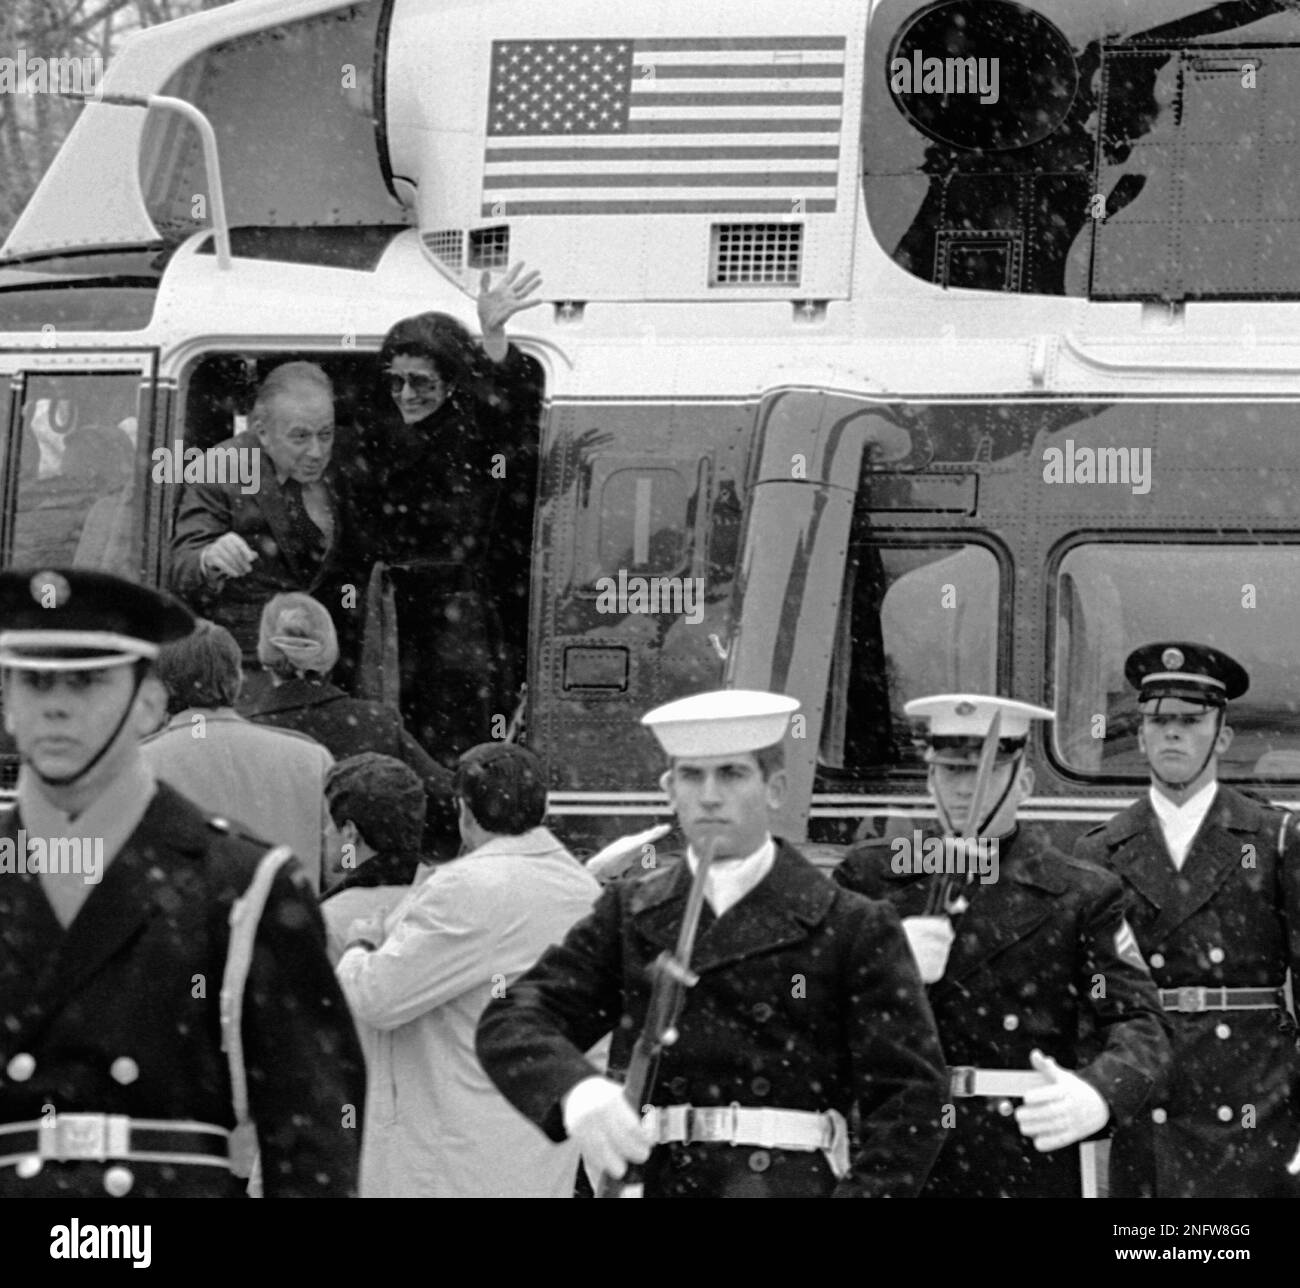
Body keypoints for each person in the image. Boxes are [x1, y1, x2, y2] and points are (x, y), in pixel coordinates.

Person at [475, 689, 950, 1198]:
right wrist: (577, 1091)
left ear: (775, 788)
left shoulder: (850, 925)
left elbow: (912, 1099)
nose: (709, 795)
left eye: (732, 774)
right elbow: (513, 1017)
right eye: (691, 775)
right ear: (669, 789)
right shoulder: (630, 916)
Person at [0, 568, 364, 1197]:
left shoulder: (247, 887)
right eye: (33, 681)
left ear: (148, 702)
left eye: (87, 681)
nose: (55, 705)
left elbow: (311, 1142)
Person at [834, 694, 1171, 1198]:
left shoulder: (1079, 892)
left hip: (1019, 1153)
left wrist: (1101, 1092)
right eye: (951, 771)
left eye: (989, 771)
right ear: (929, 780)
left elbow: (1140, 1021)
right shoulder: (871, 877)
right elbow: (800, 1003)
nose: (966, 787)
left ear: (1026, 785)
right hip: (892, 1151)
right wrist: (884, 964)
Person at [1074, 644, 1300, 1197]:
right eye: (1158, 720)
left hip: (1256, 1095)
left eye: (1191, 721)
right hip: (1151, 1098)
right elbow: (1088, 1000)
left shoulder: (1274, 840)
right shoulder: (1100, 851)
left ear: (1222, 735)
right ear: (1142, 733)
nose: (1173, 733)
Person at [336, 742, 600, 1197]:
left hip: (452, 1159)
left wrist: (361, 944)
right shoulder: (584, 888)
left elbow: (377, 998)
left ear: (465, 811)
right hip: (537, 1154)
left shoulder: (465, 889)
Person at [347, 266, 543, 760]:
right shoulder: (376, 437)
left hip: (462, 617)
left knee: (456, 741)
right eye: (396, 383)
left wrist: (494, 338)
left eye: (421, 383)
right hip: (390, 613)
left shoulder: (476, 436)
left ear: (452, 384)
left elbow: (512, 417)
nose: (406, 396)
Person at [244, 592, 456, 857]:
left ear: (264, 657)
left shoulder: (243, 738)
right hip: (362, 883)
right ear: (329, 653)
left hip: (278, 886)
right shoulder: (376, 722)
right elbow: (444, 796)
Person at [169, 361, 350, 665]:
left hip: (329, 656)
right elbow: (181, 564)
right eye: (300, 437)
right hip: (252, 660)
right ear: (262, 432)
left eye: (325, 434)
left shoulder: (344, 465)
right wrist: (210, 560)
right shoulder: (223, 467)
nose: (317, 451)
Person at [140, 616, 335, 892]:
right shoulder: (312, 758)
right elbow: (343, 864)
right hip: (288, 927)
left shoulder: (135, 767)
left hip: (181, 929)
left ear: (162, 686)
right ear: (237, 678)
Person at [320, 752, 431, 962]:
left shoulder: (329, 921)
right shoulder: (444, 899)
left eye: (329, 821)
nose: (325, 831)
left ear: (350, 833)